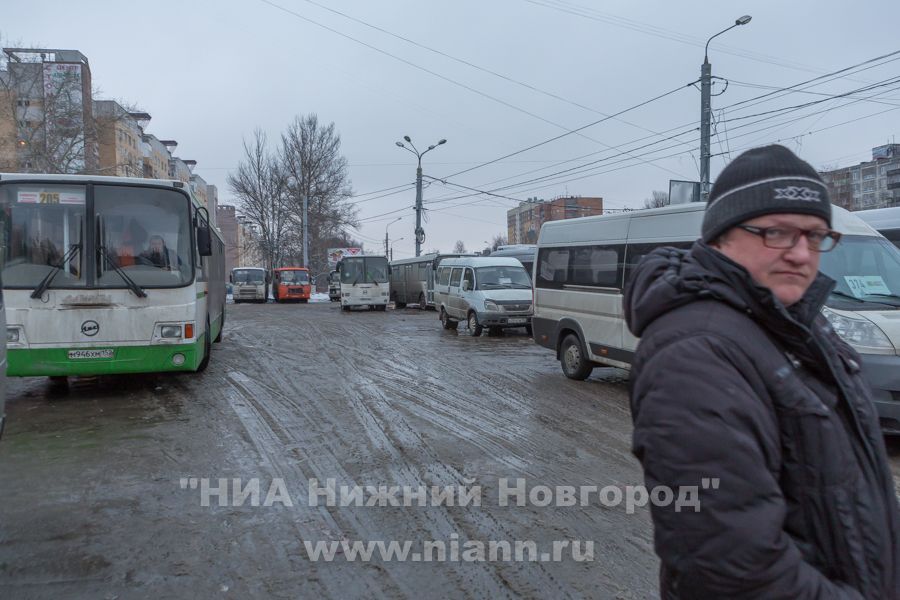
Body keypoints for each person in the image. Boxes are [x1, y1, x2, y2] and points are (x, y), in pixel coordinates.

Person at [623, 145, 900, 599]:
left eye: (814, 236)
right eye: (777, 233)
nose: (801, 253)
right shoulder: (696, 353)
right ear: (720, 238)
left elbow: (853, 493)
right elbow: (730, 569)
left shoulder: (796, 324)